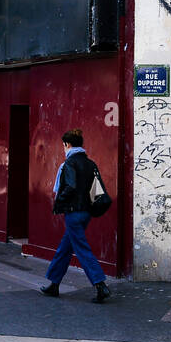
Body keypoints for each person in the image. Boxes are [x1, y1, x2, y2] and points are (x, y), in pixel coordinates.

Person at [40, 129, 110, 303]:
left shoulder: (69, 163)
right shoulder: (90, 163)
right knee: (65, 247)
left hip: (73, 212)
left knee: (81, 249)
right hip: (86, 212)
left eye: (63, 145)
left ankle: (100, 285)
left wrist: (60, 201)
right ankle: (54, 284)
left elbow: (70, 186)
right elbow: (95, 189)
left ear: (67, 144)